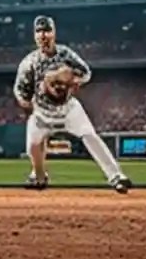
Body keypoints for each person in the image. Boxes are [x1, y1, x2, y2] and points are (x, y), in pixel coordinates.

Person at [14, 15, 132, 193]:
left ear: (54, 33)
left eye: (46, 31)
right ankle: (38, 176)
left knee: (90, 136)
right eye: (39, 32)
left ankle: (116, 176)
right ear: (34, 36)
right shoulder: (29, 63)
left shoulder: (65, 54)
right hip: (42, 113)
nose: (43, 35)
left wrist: (73, 79)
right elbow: (20, 91)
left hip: (69, 110)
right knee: (32, 145)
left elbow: (86, 72)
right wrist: (27, 101)